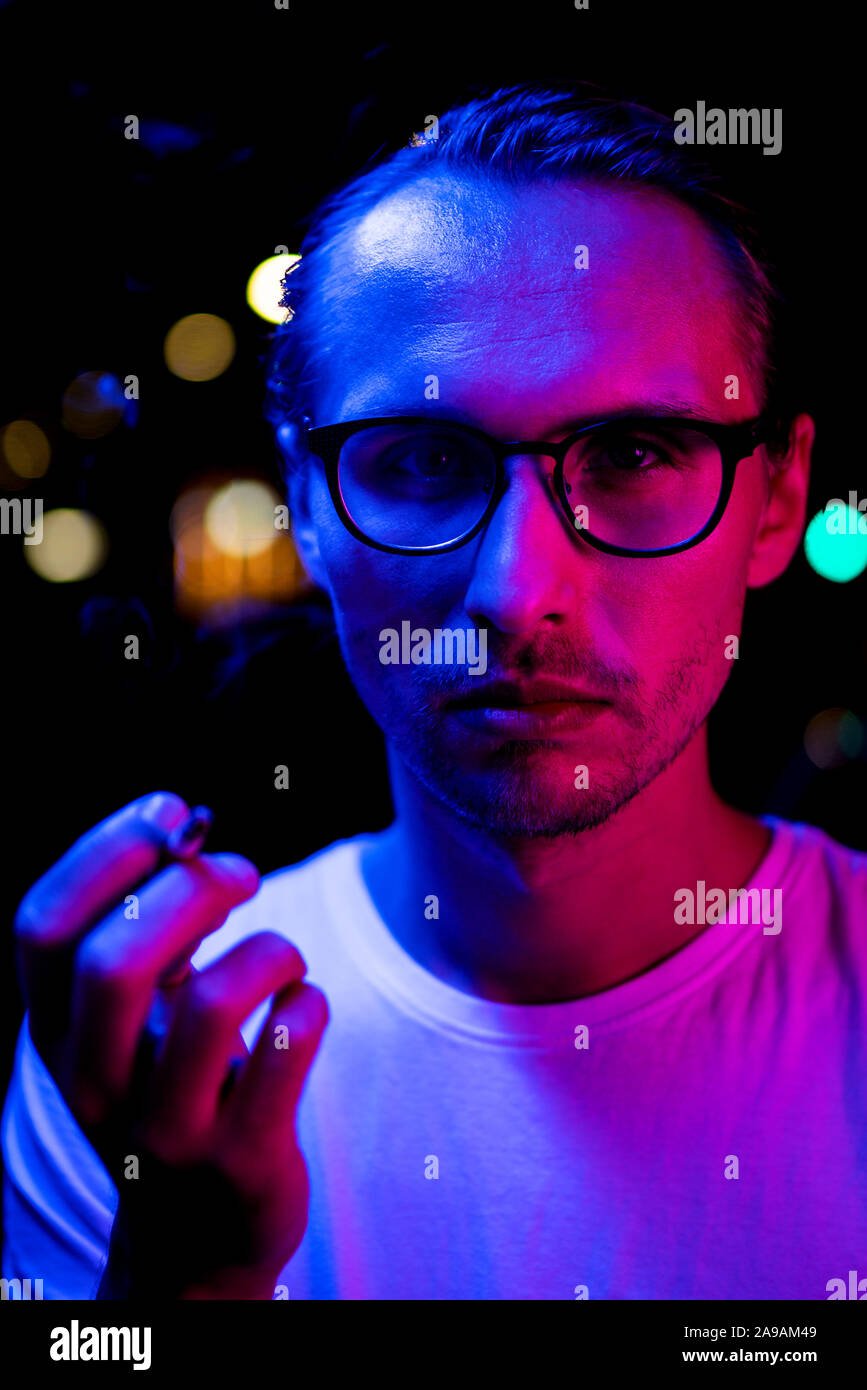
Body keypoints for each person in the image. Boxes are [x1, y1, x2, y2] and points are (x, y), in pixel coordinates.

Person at [3, 83, 866, 1302]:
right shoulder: (154, 1056)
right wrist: (179, 1283)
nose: (519, 595)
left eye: (632, 455)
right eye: (423, 461)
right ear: (305, 505)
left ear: (775, 501)